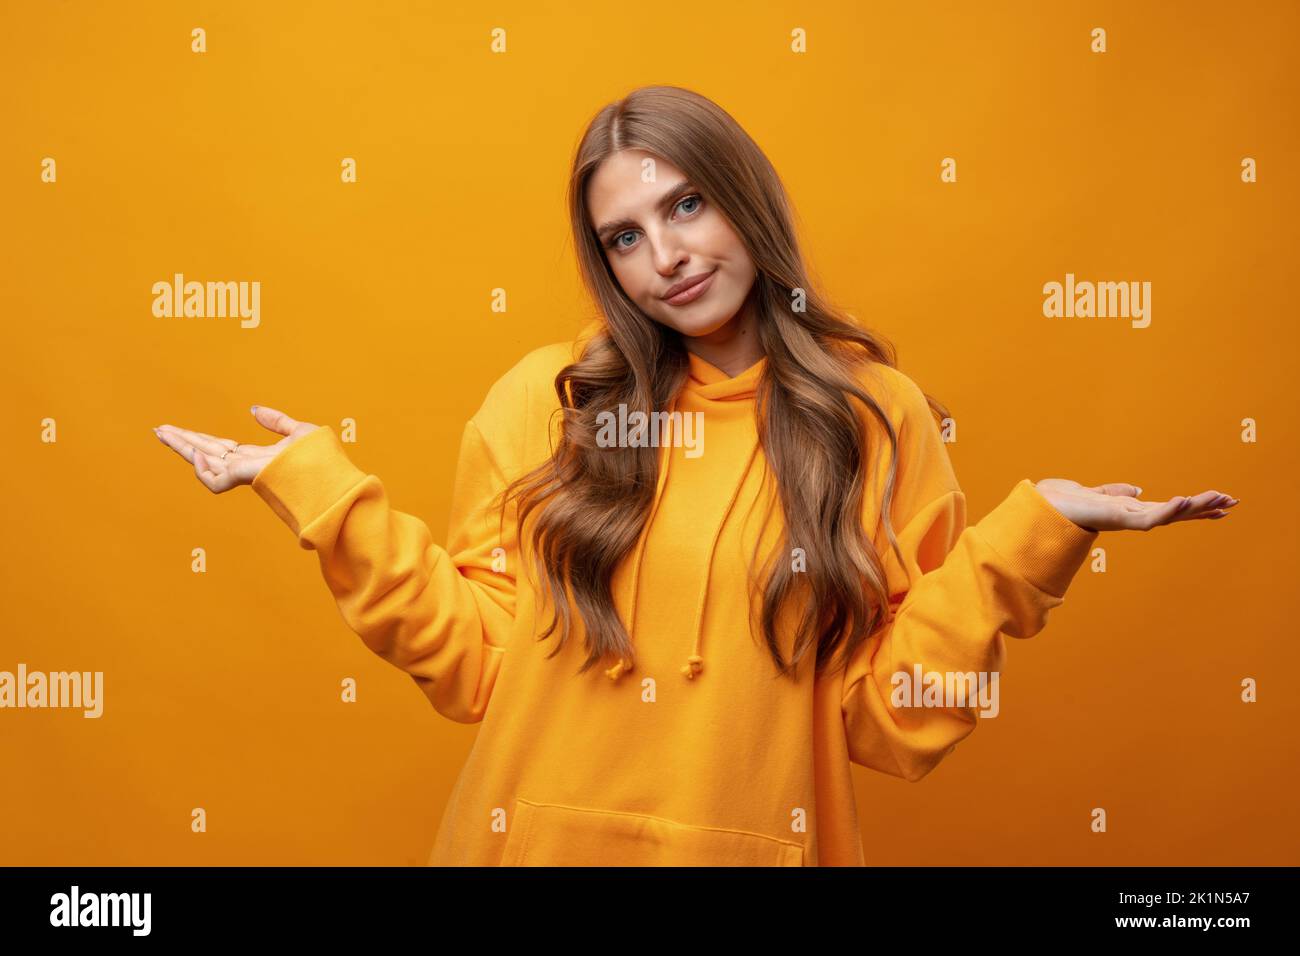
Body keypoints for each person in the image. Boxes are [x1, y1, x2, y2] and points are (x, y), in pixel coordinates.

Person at [153, 85, 1238, 866]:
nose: (662, 256)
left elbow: (886, 717)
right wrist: (321, 490)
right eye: (622, 237)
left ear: (743, 202)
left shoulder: (872, 419)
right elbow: (476, 662)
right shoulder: (549, 400)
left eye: (683, 207)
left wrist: (1037, 533)